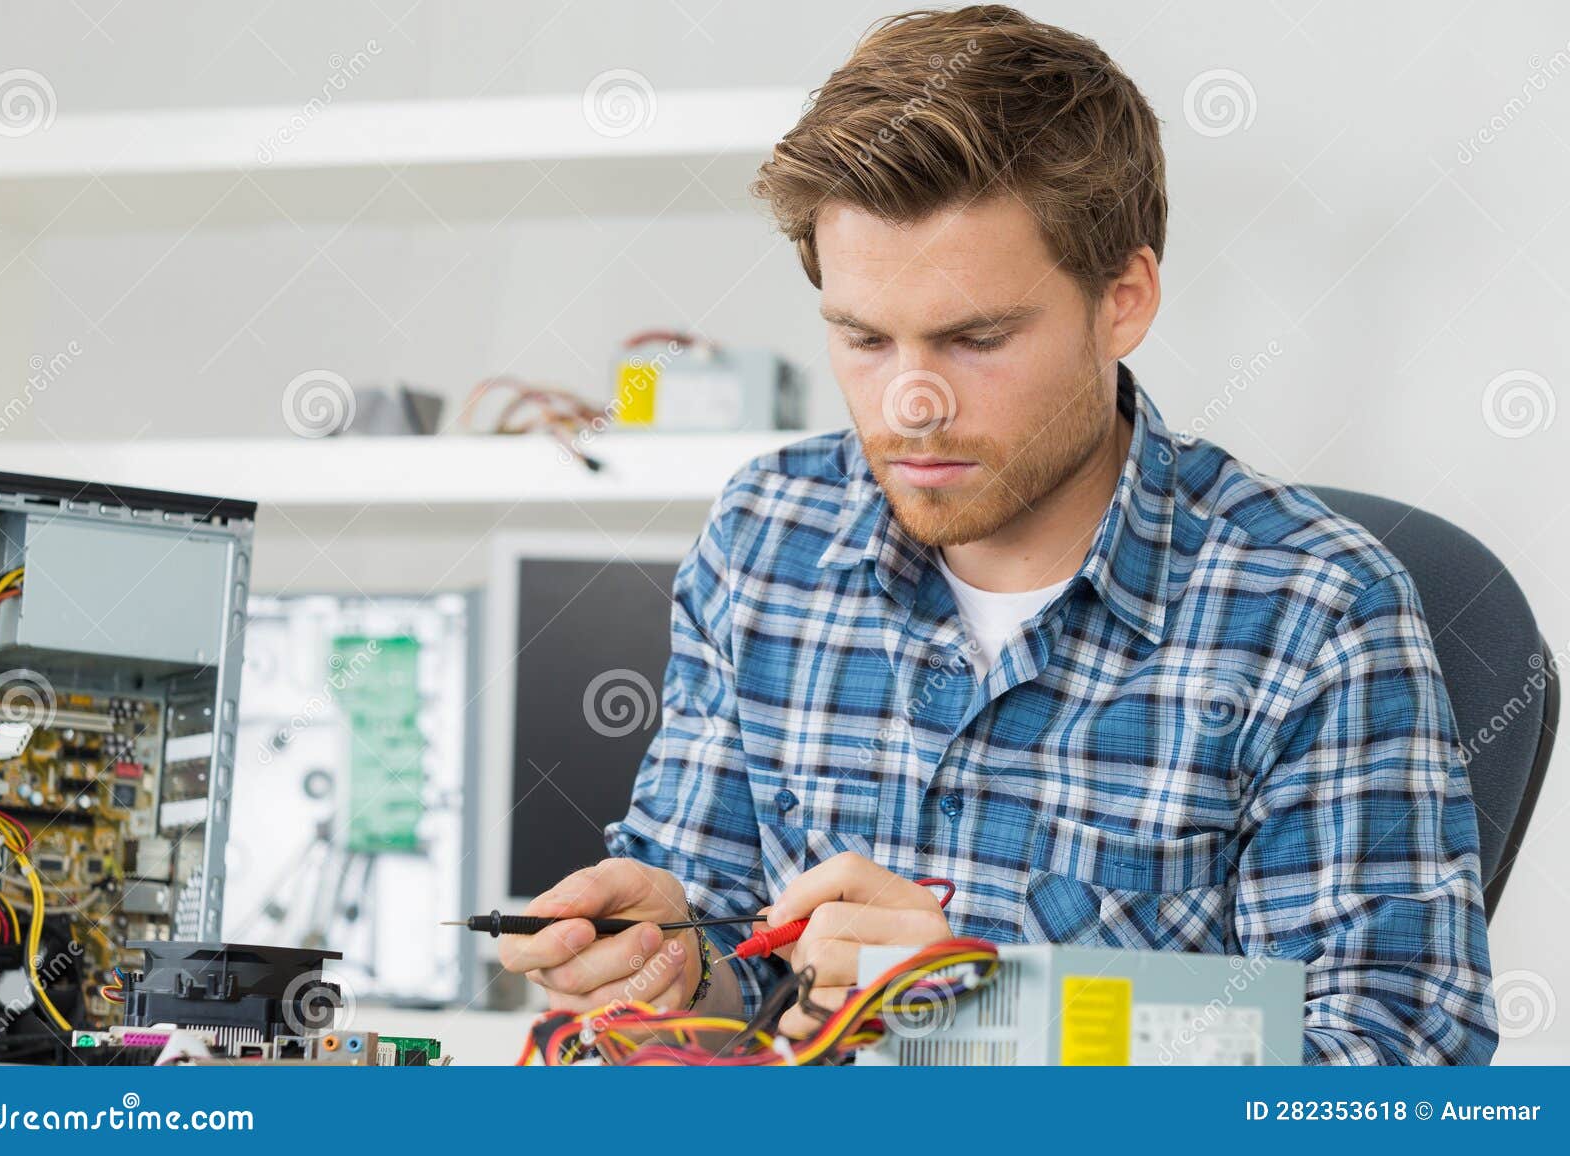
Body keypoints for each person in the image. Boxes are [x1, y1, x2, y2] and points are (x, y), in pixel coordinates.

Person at [500, 5, 1496, 1064]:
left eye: (974, 339)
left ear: (1122, 300)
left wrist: (986, 1012)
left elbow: (1400, 1065)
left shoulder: (1313, 610)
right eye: (862, 338)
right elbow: (727, 957)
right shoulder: (764, 539)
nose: (911, 402)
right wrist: (676, 962)